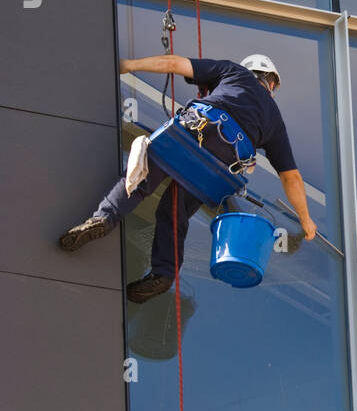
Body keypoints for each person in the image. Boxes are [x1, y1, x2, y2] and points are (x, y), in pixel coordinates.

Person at [59, 52, 317, 302]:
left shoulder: (232, 71)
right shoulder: (275, 120)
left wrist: (128, 65)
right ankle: (164, 273)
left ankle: (103, 220)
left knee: (140, 178)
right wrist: (306, 221)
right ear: (271, 84)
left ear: (249, 71)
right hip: (218, 166)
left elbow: (174, 63)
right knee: (175, 212)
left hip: (195, 132)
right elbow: (291, 177)